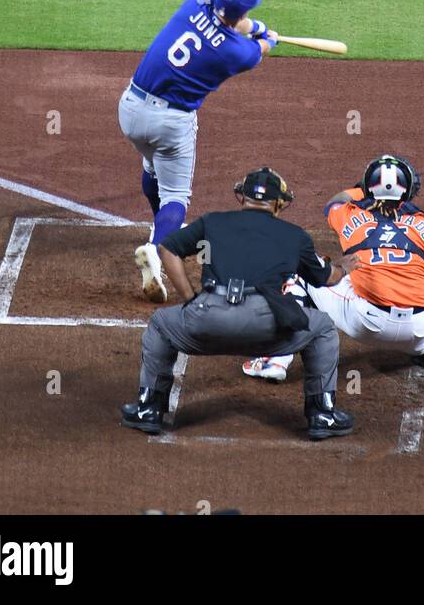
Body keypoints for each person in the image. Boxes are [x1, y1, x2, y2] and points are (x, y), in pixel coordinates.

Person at [120, 167, 355, 441]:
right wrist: (342, 267)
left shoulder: (213, 222)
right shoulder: (294, 235)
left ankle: (149, 409)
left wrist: (190, 300)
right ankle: (322, 414)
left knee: (161, 324)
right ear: (279, 203)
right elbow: (326, 278)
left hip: (208, 320)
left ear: (242, 198)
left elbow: (167, 250)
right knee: (323, 328)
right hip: (266, 326)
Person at [242, 155, 424, 389]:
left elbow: (334, 202)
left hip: (367, 321)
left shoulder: (349, 215)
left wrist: (364, 193)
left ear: (368, 190)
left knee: (301, 271)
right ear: (407, 193)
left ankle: (276, 360)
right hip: (418, 326)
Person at [118, 0, 278, 303]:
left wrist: (254, 26)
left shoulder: (195, 2)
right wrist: (270, 37)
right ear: (243, 11)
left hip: (131, 110)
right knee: (176, 195)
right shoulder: (238, 55)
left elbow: (233, 25)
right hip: (170, 123)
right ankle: (156, 248)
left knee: (151, 165)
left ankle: (158, 225)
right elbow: (256, 48)